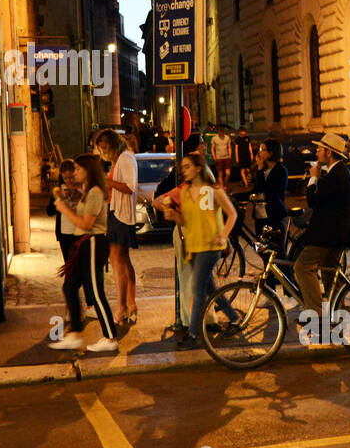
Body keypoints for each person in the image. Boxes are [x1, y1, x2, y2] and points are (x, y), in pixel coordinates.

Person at [154, 153, 241, 349]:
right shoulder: (185, 192)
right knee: (210, 289)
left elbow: (232, 214)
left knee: (198, 290)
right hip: (193, 247)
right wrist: (173, 216)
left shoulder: (213, 190)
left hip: (210, 247)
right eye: (182, 167)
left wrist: (223, 236)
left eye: (187, 167)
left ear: (199, 168)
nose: (183, 171)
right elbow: (185, 221)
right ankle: (235, 319)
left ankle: (192, 334)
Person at [48, 154, 119, 352]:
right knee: (70, 286)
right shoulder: (88, 191)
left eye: (78, 169)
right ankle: (75, 334)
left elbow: (86, 224)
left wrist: (64, 209)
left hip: (94, 242)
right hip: (85, 244)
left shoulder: (95, 192)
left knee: (95, 292)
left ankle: (110, 338)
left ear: (88, 170)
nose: (75, 172)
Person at [293, 132, 350, 340]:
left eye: (319, 149)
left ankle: (317, 316)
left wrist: (313, 177)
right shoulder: (338, 172)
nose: (317, 152)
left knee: (302, 267)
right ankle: (337, 320)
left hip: (328, 235)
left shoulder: (336, 175)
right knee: (331, 277)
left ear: (329, 153)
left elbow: (313, 201)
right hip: (337, 234)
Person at [97, 129, 139, 326]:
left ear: (113, 145)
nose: (103, 152)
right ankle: (130, 304)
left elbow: (129, 187)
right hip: (117, 213)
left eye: (105, 148)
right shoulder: (120, 159)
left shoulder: (125, 159)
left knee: (117, 261)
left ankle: (122, 306)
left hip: (121, 215)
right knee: (122, 259)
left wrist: (107, 181)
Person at [253, 138, 290, 255]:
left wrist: (259, 169)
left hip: (274, 217)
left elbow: (265, 191)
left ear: (271, 153)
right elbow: (255, 191)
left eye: (262, 149)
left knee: (277, 253)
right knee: (263, 252)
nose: (259, 152)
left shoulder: (281, 171)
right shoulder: (263, 170)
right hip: (260, 217)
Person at [46, 159, 80, 262]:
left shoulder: (82, 188)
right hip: (64, 233)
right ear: (61, 176)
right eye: (66, 178)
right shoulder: (58, 190)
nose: (69, 181)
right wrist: (58, 199)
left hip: (80, 231)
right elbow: (49, 212)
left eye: (72, 177)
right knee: (68, 264)